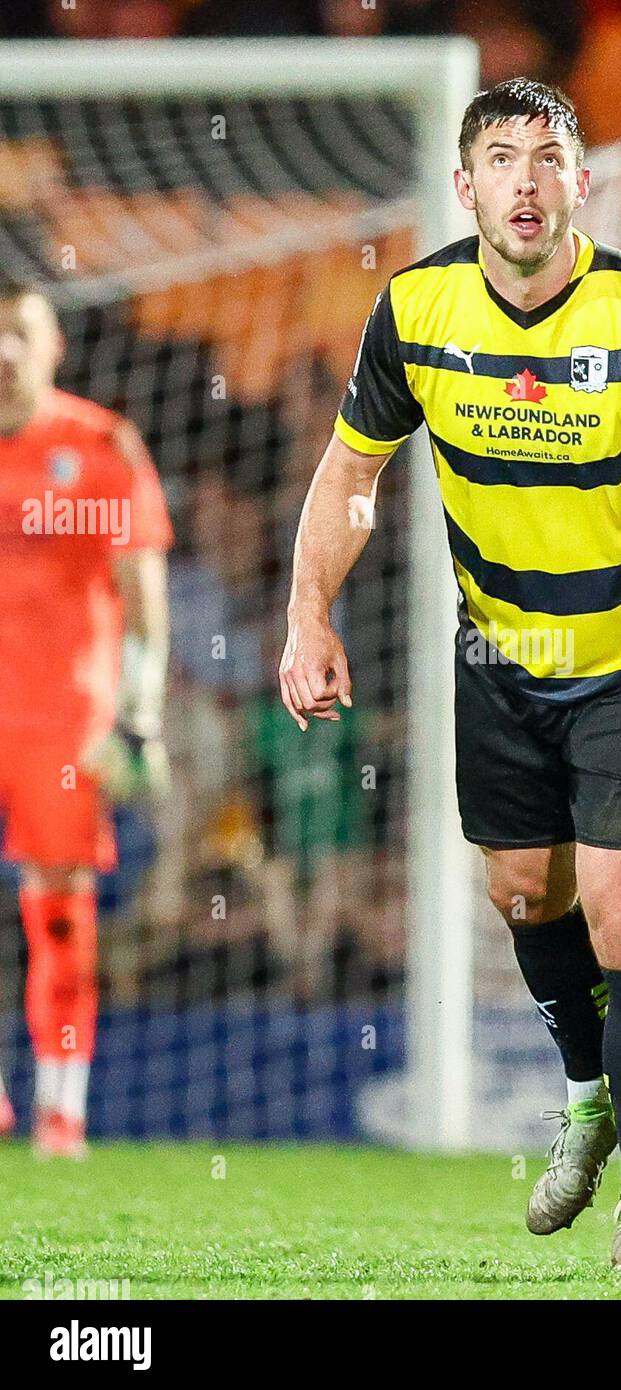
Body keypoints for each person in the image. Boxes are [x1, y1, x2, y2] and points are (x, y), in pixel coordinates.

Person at [280, 80, 621, 1273]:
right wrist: (307, 614)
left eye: (545, 157)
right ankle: (584, 1093)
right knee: (522, 899)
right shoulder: (414, 311)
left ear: (579, 181)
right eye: (497, 158)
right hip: (497, 661)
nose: (522, 179)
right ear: (462, 186)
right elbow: (352, 472)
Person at [0, 282, 173, 1157]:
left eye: (17, 334)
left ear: (52, 344)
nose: (3, 353)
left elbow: (145, 594)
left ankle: (60, 1108)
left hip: (63, 722)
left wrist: (141, 716)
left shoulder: (98, 447)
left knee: (60, 911)